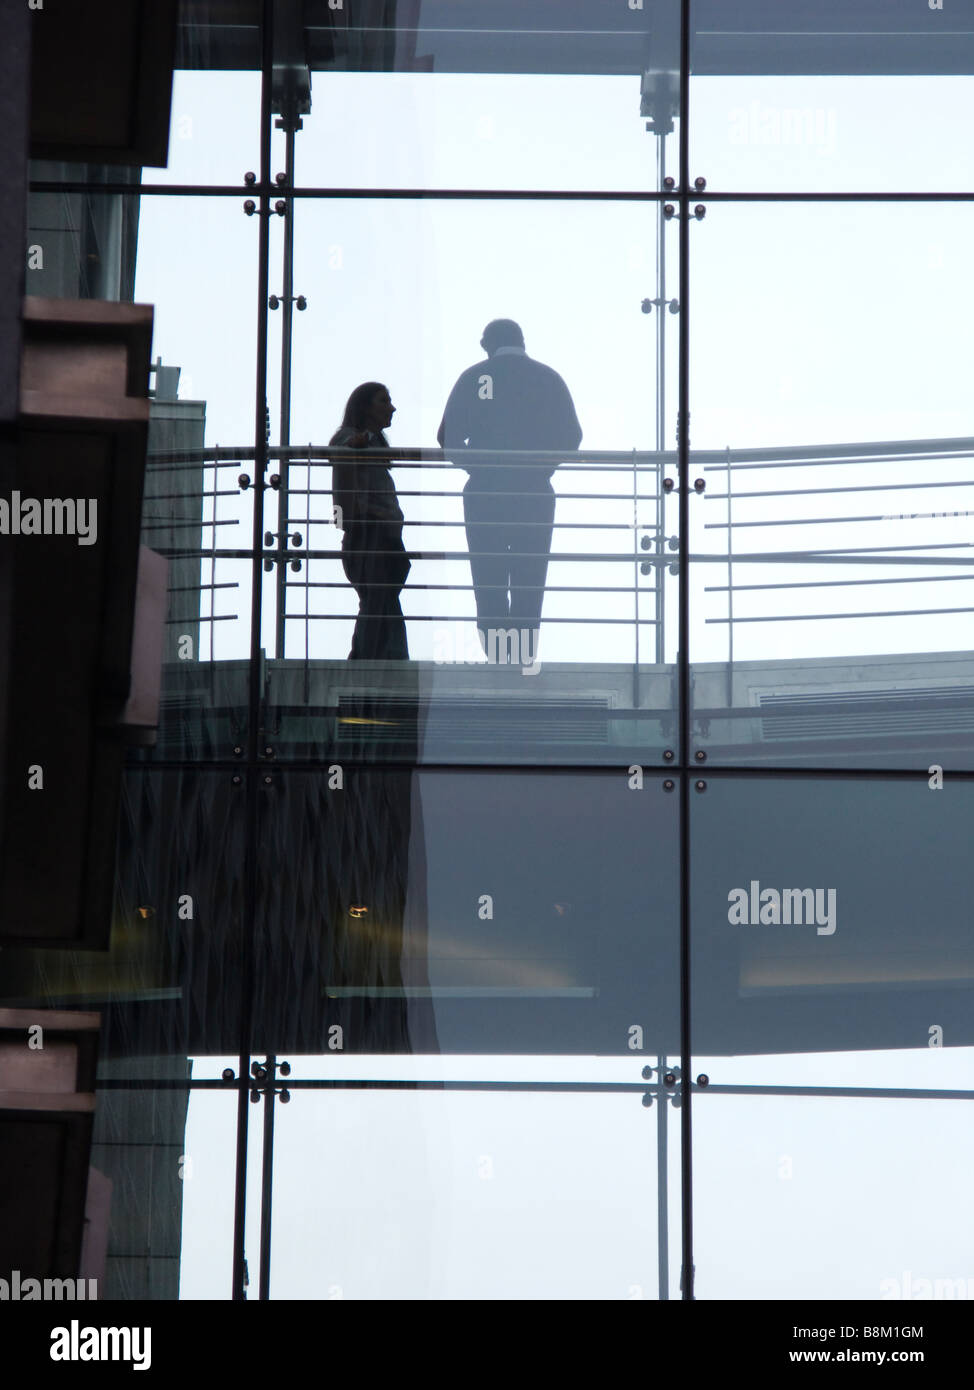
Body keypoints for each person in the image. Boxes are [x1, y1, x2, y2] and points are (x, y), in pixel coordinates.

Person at [437, 319, 582, 663]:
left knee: (487, 575)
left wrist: (479, 466)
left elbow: (448, 439)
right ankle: (522, 655)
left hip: (485, 493)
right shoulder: (549, 378)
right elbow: (572, 437)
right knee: (530, 576)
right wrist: (541, 467)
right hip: (534, 493)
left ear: (489, 343)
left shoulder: (474, 377)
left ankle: (498, 655)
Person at [331, 382, 410, 660]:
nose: (392, 407)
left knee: (380, 603)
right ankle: (374, 661)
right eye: (383, 401)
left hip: (381, 534)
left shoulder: (373, 442)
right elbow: (340, 449)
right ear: (365, 407)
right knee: (379, 602)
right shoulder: (352, 437)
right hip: (369, 533)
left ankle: (375, 660)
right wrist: (355, 444)